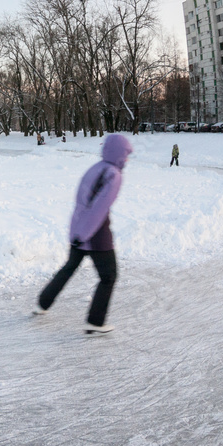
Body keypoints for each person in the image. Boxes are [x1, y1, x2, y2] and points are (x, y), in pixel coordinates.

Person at [34, 134, 133, 335]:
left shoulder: (95, 168)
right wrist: (86, 233)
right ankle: (95, 322)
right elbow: (99, 208)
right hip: (96, 233)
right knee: (109, 276)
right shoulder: (113, 175)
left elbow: (81, 202)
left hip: (79, 228)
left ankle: (43, 303)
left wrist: (77, 232)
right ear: (119, 154)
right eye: (126, 154)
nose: (128, 158)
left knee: (69, 267)